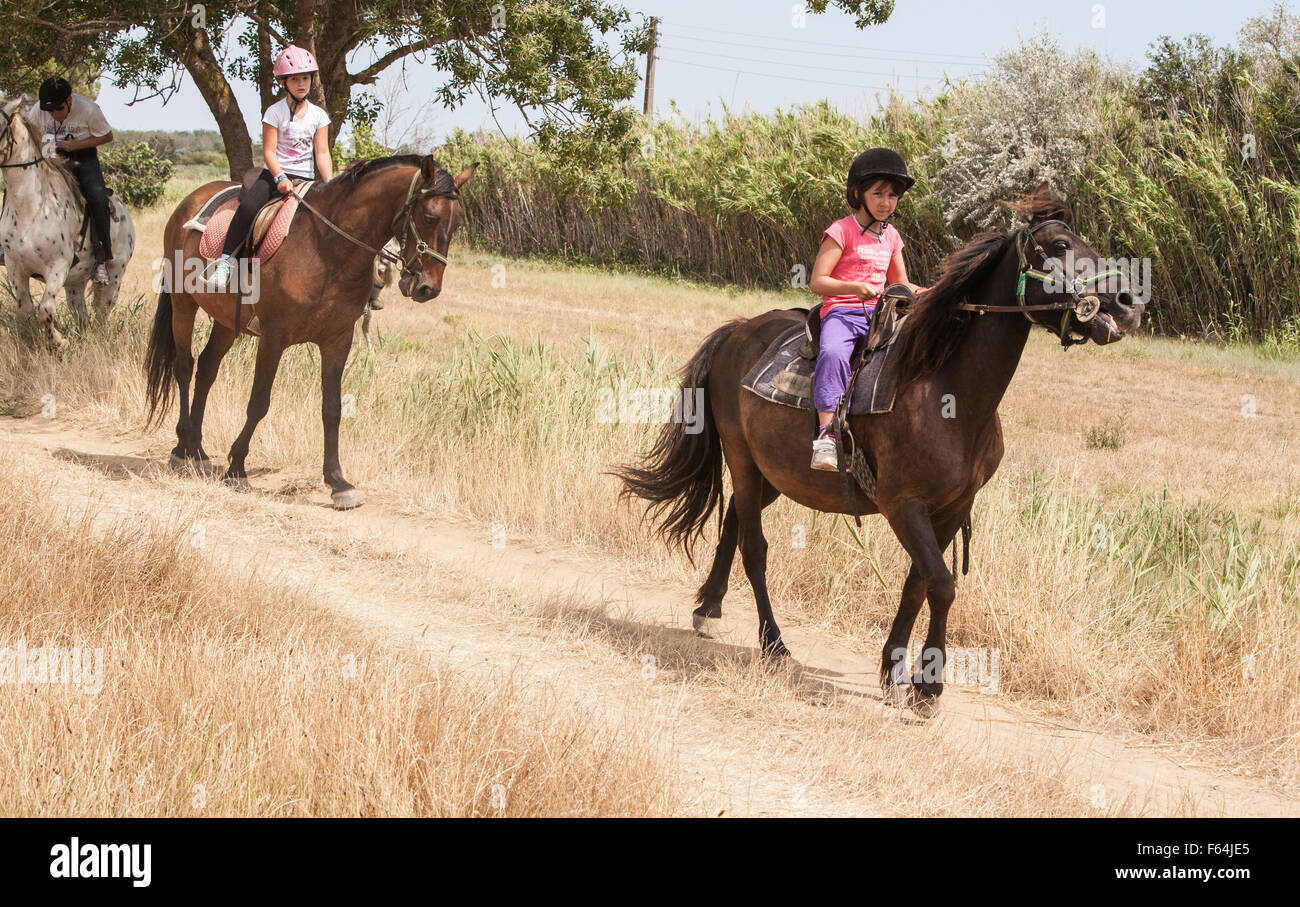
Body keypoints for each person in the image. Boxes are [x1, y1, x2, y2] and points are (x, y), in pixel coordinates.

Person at [807, 148, 927, 471]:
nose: (886, 202)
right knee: (832, 354)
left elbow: (901, 284)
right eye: (878, 194)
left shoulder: (892, 237)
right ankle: (826, 437)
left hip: (880, 316)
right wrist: (855, 288)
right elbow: (817, 281)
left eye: (892, 195)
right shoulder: (840, 231)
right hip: (842, 314)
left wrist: (933, 293)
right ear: (858, 193)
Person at [209, 45, 332, 290]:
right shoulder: (274, 112)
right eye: (295, 79)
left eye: (305, 78)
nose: (301, 84)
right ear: (283, 82)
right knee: (247, 208)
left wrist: (330, 184)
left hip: (306, 180)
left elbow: (322, 152)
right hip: (275, 176)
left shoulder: (318, 115)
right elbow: (268, 151)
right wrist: (280, 178)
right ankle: (225, 263)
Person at [27, 77, 115, 284]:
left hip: (82, 157)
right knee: (18, 188)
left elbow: (107, 136)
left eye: (58, 108)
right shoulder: (37, 110)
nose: (53, 115)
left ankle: (102, 259)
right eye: (49, 110)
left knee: (97, 198)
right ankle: (6, 245)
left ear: (69, 100)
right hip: (49, 157)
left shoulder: (89, 109)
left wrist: (76, 146)